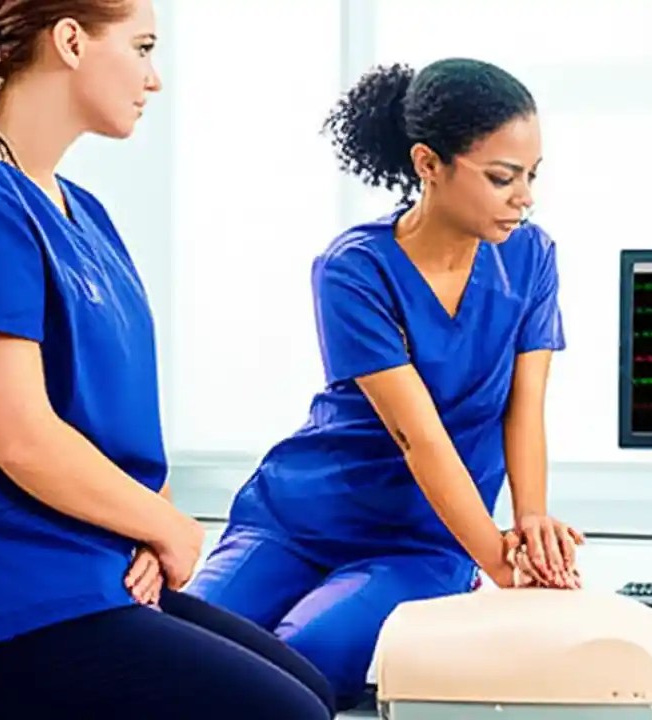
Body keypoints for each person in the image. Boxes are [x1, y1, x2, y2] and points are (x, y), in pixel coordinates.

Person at [0, 2, 335, 718]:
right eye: (143, 47)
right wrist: (169, 529)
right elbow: (20, 436)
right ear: (70, 41)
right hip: (11, 587)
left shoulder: (84, 211)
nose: (154, 79)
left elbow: (122, 419)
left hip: (98, 563)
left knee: (313, 690)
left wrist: (152, 527)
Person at [185, 57, 583, 711]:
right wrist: (503, 563)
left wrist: (529, 524)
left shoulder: (531, 257)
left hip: (421, 541)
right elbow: (415, 436)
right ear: (428, 163)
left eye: (532, 175)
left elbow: (525, 406)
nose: (525, 197)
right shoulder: (354, 268)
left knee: (299, 660)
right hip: (298, 518)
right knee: (185, 644)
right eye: (502, 177)